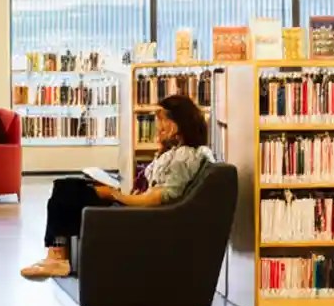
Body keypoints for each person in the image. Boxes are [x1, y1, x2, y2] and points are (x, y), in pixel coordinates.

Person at [20, 94, 214, 281]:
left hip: (144, 217)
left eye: (163, 120)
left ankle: (57, 256)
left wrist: (114, 195)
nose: (158, 126)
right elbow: (154, 193)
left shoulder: (182, 157)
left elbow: (156, 199)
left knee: (67, 190)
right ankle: (57, 254)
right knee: (67, 187)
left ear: (176, 124)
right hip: (143, 212)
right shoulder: (177, 153)